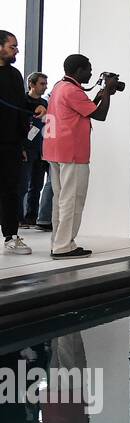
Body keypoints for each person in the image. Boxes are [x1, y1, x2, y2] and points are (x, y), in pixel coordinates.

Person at [44, 53, 119, 259]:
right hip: (72, 152)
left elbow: (88, 109)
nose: (91, 73)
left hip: (55, 150)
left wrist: (103, 92)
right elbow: (100, 114)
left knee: (60, 199)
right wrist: (108, 93)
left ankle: (58, 242)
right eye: (89, 69)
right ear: (79, 71)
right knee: (72, 200)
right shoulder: (72, 91)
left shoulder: (60, 87)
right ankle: (64, 246)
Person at [0, 31, 34, 255]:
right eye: (13, 47)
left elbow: (20, 106)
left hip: (9, 143)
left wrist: (22, 143)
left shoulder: (13, 74)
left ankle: (11, 235)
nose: (17, 51)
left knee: (10, 190)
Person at [19, 72, 48, 230]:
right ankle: (18, 218)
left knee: (36, 185)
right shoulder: (22, 101)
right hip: (26, 148)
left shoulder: (45, 103)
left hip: (40, 149)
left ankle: (31, 217)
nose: (44, 87)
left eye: (45, 84)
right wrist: (21, 147)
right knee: (22, 185)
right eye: (42, 84)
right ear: (31, 84)